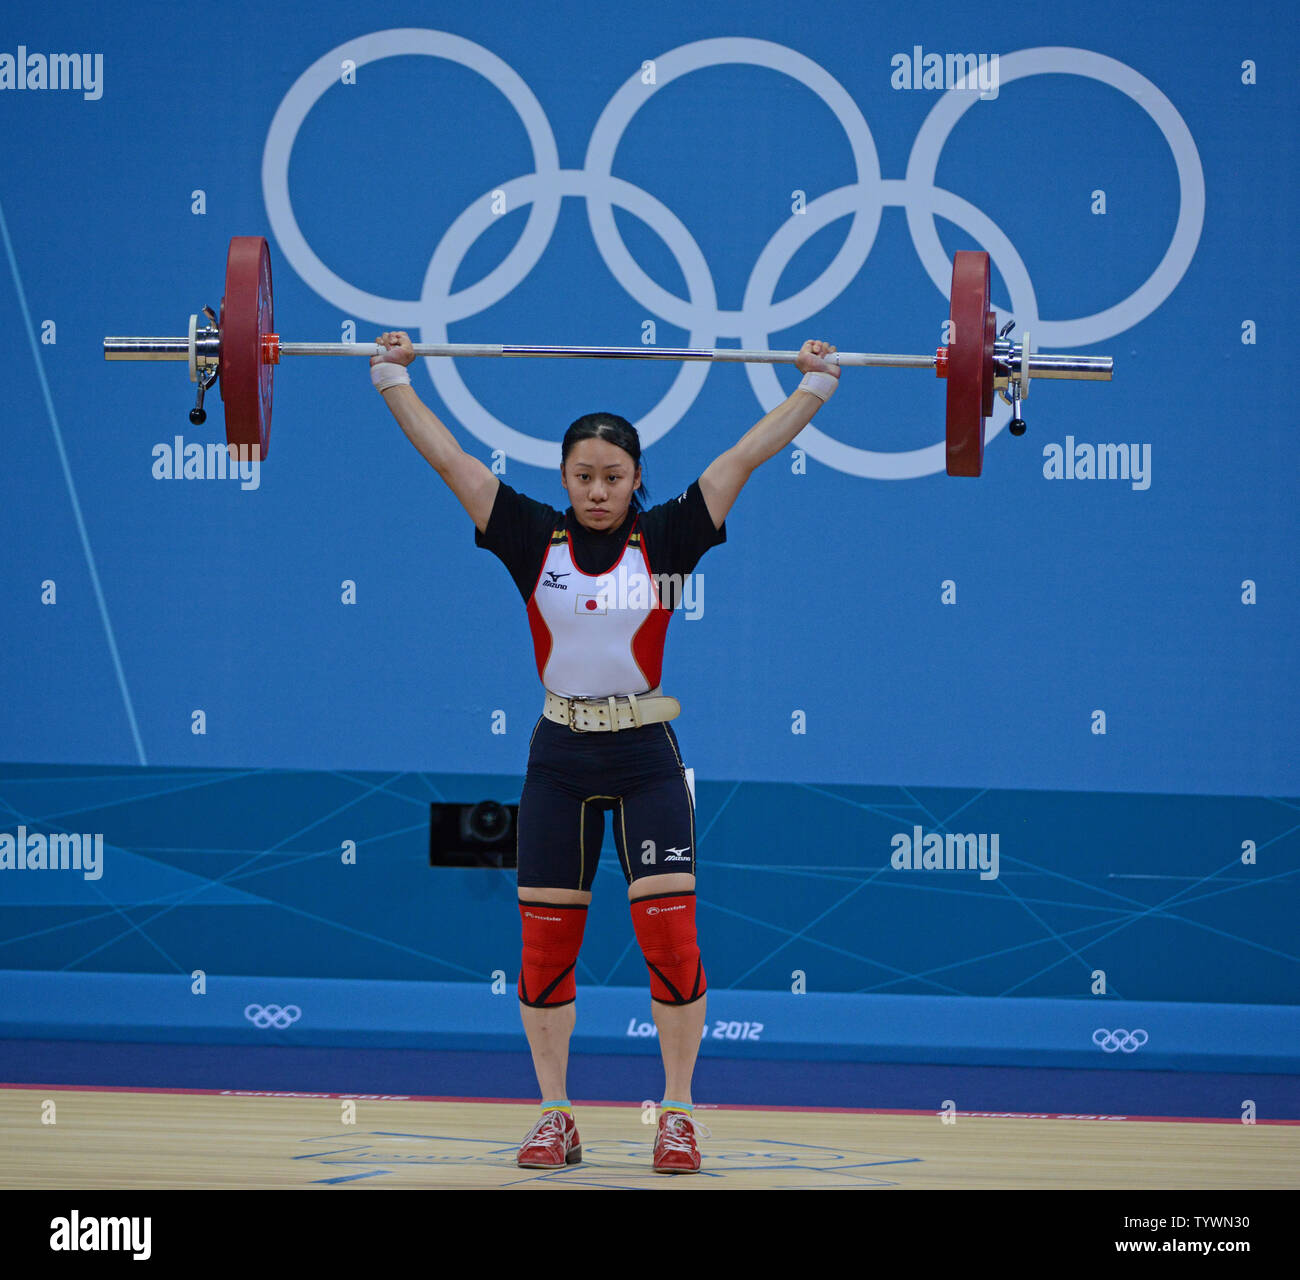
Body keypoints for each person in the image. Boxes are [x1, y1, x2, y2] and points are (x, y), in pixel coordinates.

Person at [370, 333, 840, 1173]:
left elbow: (743, 457)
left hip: (646, 757)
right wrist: (393, 379)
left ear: (635, 478)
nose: (596, 491)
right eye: (583, 477)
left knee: (671, 937)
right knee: (545, 949)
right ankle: (555, 1113)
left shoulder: (670, 536)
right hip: (558, 758)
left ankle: (680, 1114)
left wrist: (816, 387)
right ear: (564, 478)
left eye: (613, 477)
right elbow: (451, 464)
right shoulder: (527, 535)